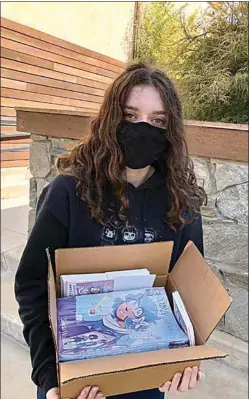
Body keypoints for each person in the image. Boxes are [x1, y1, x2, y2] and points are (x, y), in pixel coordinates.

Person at [15, 62, 206, 399]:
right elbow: (32, 288)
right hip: (73, 378)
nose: (143, 130)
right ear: (109, 119)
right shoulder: (68, 192)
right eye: (130, 116)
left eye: (157, 121)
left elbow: (190, 295)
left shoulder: (182, 202)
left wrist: (185, 355)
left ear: (170, 130)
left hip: (145, 377)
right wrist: (50, 378)